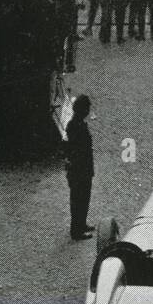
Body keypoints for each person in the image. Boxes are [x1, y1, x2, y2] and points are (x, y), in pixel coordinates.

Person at [64, 94, 94, 241]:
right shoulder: (75, 126)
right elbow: (75, 150)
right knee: (78, 199)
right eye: (87, 108)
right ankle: (76, 230)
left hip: (83, 169)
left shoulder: (78, 123)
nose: (88, 111)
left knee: (84, 198)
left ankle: (81, 224)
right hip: (79, 170)